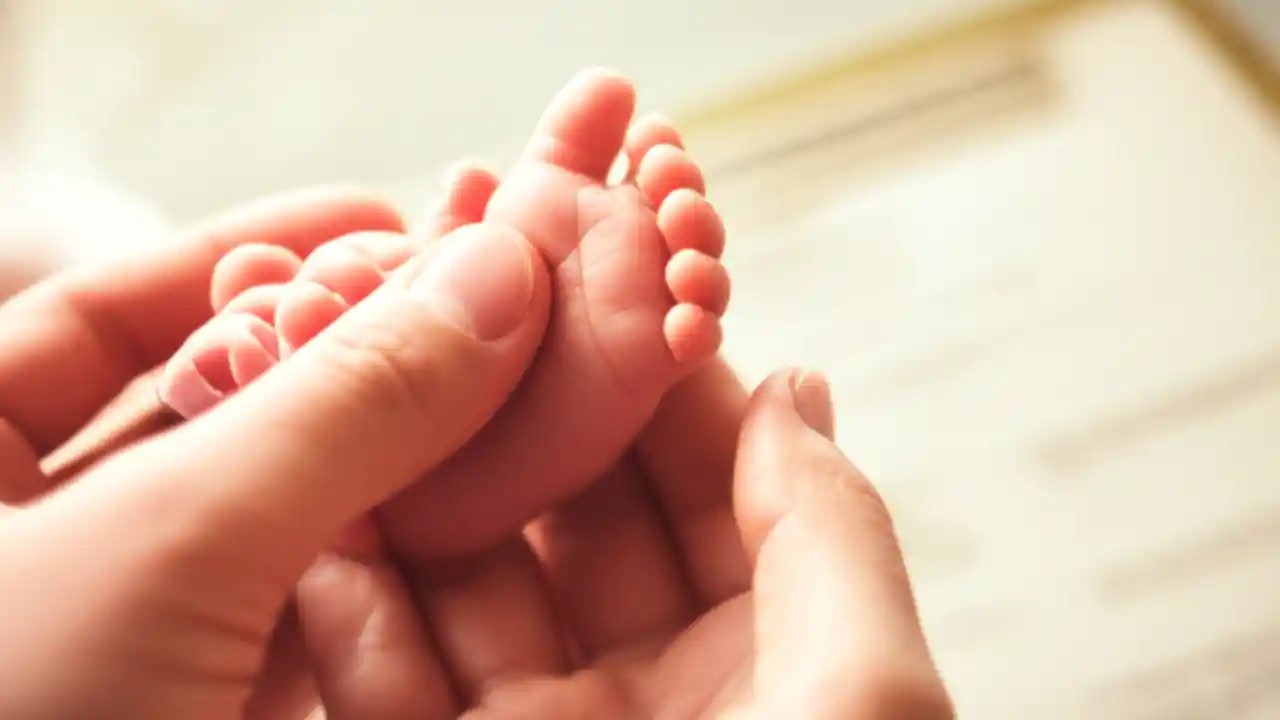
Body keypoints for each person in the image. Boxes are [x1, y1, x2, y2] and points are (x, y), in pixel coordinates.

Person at [0, 90, 952, 720]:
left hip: (231, 565)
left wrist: (228, 376)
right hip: (217, 567)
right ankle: (373, 392)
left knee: (254, 307)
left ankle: (304, 393)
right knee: (267, 306)